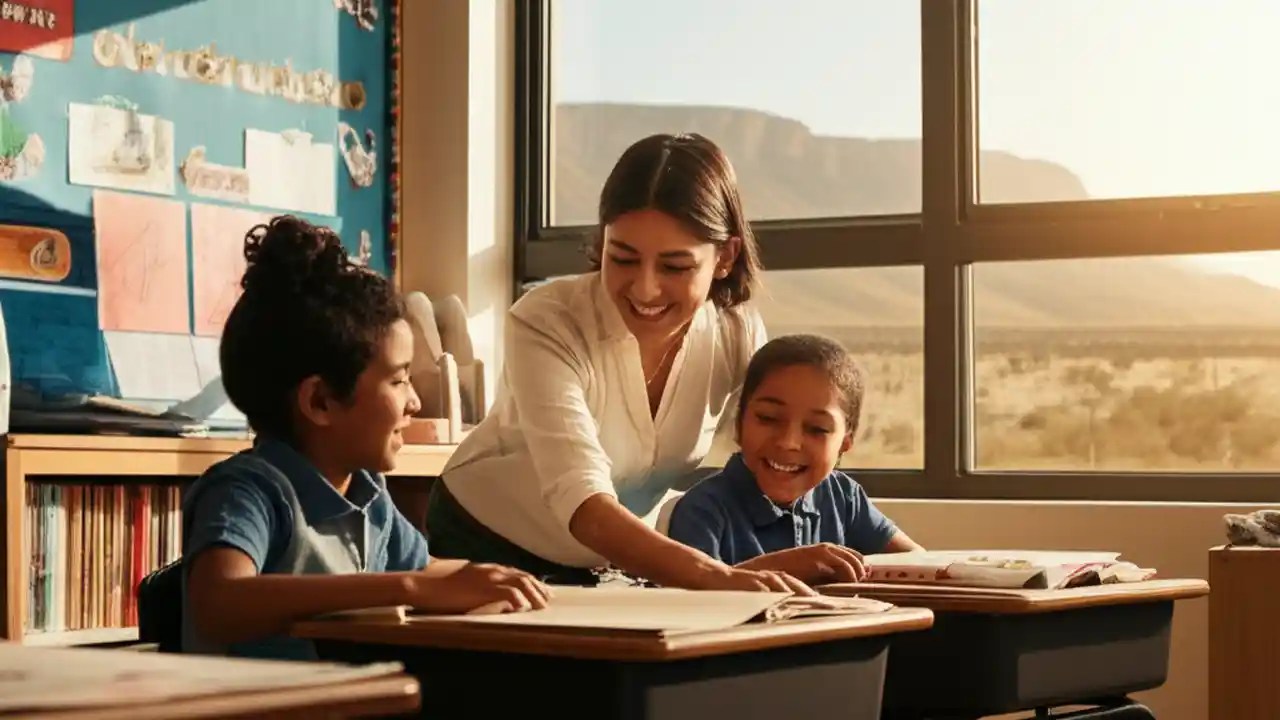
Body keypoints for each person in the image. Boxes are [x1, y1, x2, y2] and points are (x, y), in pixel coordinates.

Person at [428, 133, 810, 594]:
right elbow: (583, 497)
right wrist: (718, 574)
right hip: (485, 539)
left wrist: (837, 544)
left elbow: (776, 455)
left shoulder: (736, 333)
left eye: (674, 267)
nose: (644, 289)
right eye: (622, 258)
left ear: (725, 257)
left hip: (617, 555)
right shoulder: (547, 321)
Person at [181, 216, 549, 659]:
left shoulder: (367, 492)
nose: (414, 402)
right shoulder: (249, 491)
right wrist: (411, 588)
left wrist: (505, 580)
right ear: (320, 401)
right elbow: (218, 602)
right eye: (398, 381)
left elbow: (427, 570)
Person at [667, 334, 923, 585]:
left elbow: (918, 564)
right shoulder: (703, 511)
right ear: (738, 425)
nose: (788, 442)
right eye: (768, 418)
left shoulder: (843, 498)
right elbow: (693, 601)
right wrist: (783, 568)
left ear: (845, 442)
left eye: (817, 429)